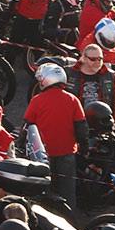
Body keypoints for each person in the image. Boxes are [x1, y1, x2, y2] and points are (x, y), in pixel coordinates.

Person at [22, 62, 87, 210]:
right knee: (68, 192)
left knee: (44, 191)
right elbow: (81, 128)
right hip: (67, 153)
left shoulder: (37, 100)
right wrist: (84, 149)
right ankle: (70, 219)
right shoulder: (72, 99)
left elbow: (27, 126)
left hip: (43, 155)